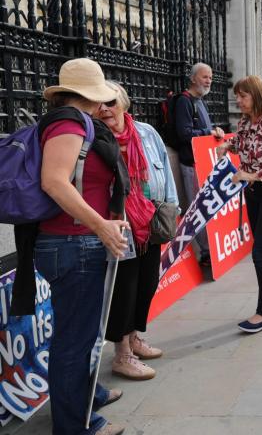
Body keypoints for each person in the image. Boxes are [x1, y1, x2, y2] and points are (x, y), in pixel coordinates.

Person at [36, 58, 130, 435]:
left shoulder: (73, 122)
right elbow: (54, 182)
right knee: (75, 342)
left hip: (75, 242)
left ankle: (87, 399)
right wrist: (102, 226)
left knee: (83, 335)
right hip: (73, 243)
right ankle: (78, 426)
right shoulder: (68, 123)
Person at [100, 81, 178, 381]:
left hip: (150, 222)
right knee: (124, 290)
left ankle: (133, 338)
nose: (105, 108)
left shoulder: (146, 132)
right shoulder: (96, 138)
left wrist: (172, 207)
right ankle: (122, 355)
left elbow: (166, 173)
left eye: (111, 101)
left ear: (124, 102)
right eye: (99, 104)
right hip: (120, 226)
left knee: (146, 285)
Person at [217, 76, 262, 333]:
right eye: (237, 96)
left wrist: (250, 175)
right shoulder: (247, 121)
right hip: (253, 192)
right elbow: (242, 142)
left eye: (243, 96)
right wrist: (228, 144)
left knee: (261, 250)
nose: (238, 101)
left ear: (257, 96)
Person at [174, 63, 224, 266]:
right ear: (193, 78)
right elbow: (184, 133)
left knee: (208, 207)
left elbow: (204, 129)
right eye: (205, 77)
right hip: (191, 163)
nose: (208, 80)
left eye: (210, 77)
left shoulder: (200, 101)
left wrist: (214, 132)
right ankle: (206, 253)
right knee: (200, 208)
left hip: (202, 163)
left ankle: (212, 249)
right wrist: (207, 133)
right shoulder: (184, 102)